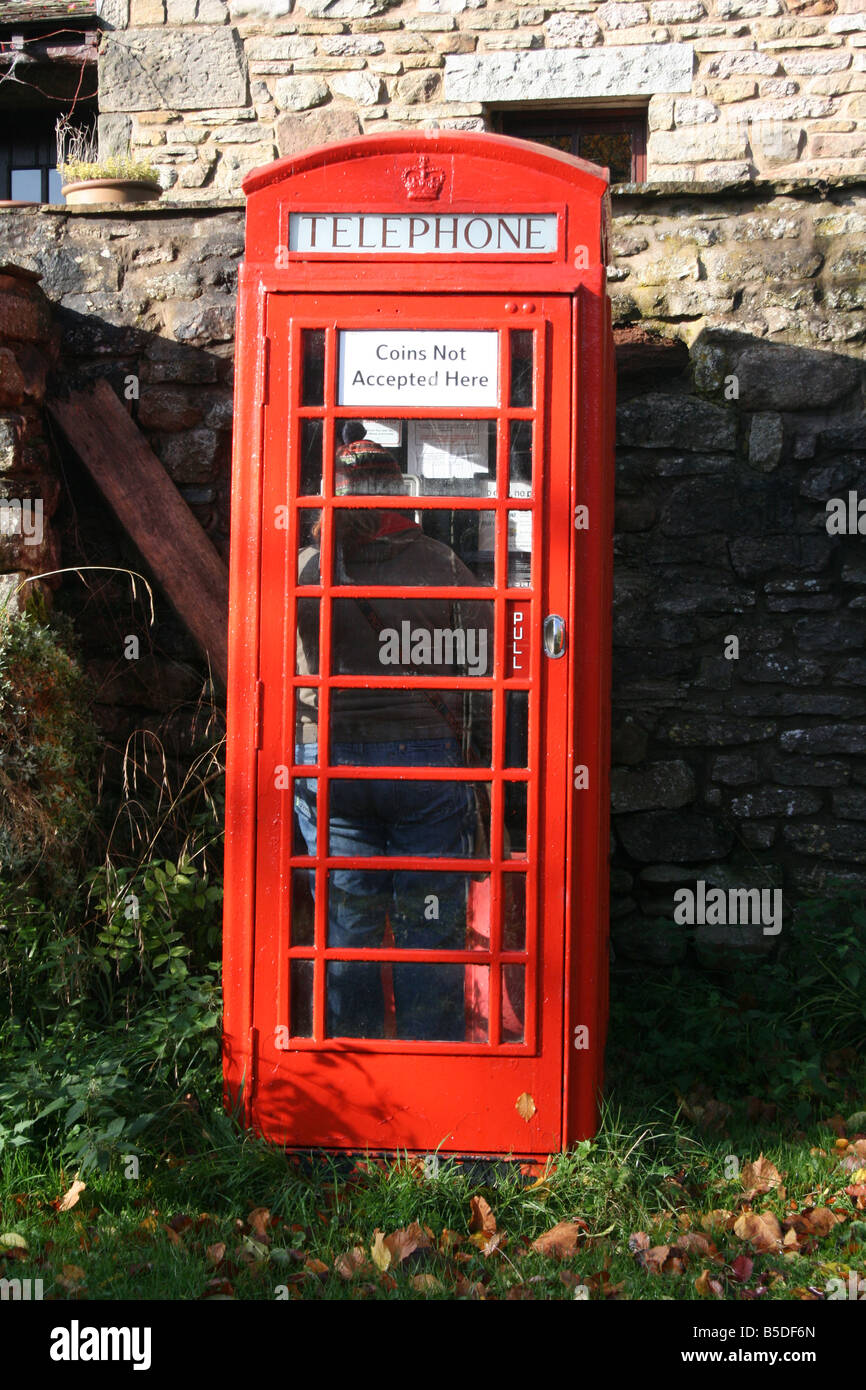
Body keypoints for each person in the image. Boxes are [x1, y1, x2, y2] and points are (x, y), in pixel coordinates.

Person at [294, 423, 494, 1041]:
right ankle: (431, 1056)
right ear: (398, 493)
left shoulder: (305, 566)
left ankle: (351, 1060)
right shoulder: (441, 564)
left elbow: (286, 672)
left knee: (349, 922)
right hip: (422, 760)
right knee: (427, 919)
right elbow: (482, 661)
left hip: (330, 760)